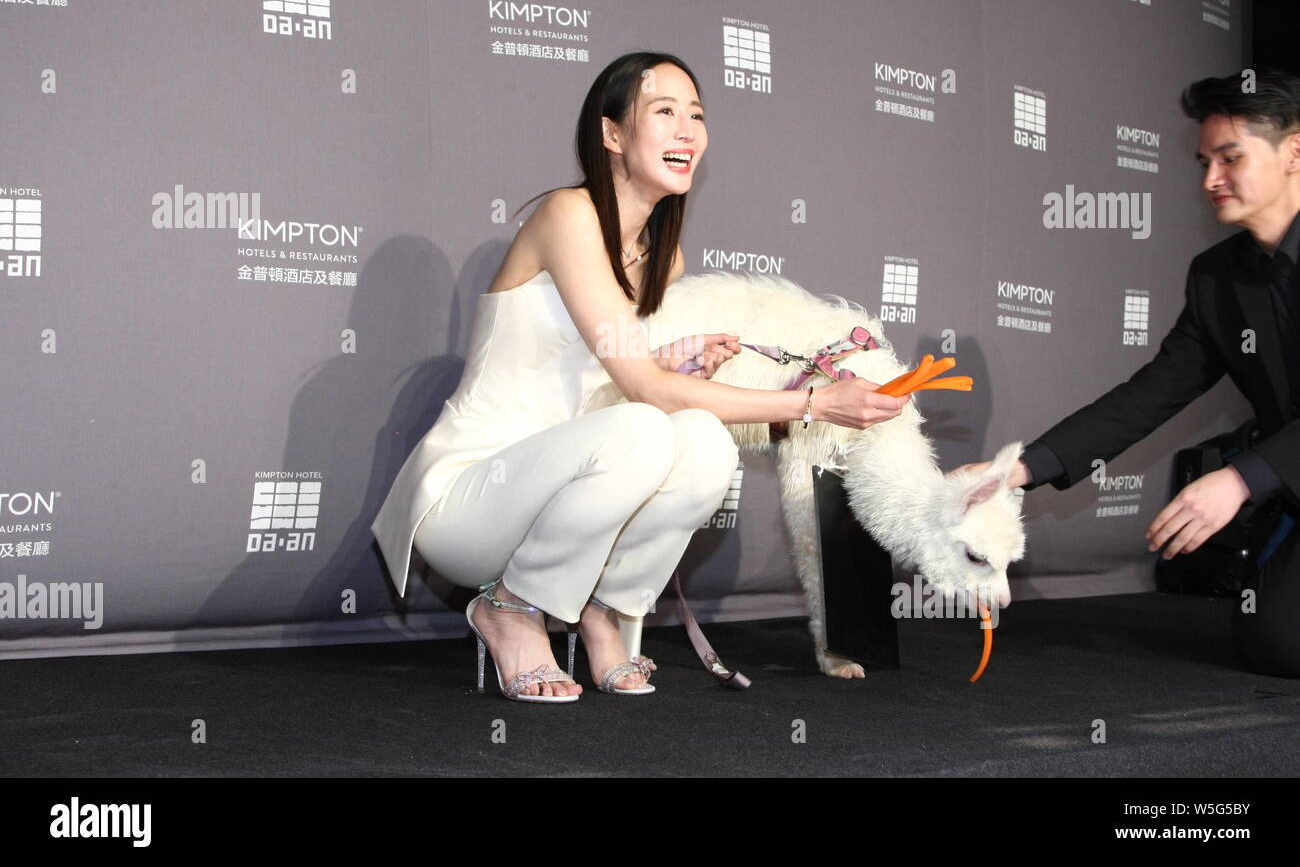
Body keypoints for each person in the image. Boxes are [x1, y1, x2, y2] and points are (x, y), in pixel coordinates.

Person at [371, 51, 910, 702]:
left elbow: (621, 378)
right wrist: (814, 403)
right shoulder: (567, 216)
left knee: (703, 440)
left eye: (697, 116)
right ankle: (509, 609)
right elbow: (641, 396)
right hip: (472, 500)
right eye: (664, 112)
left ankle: (606, 609)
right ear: (613, 134)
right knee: (647, 427)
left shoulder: (662, 255)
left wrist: (670, 362)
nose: (687, 131)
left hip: (558, 496)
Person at [958, 68, 1300, 676]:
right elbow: (1153, 392)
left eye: (1230, 158)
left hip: (1276, 474)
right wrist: (1018, 469)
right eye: (1202, 162)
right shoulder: (1217, 276)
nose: (1211, 180)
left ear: (1294, 151)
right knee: (1276, 646)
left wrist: (1242, 479)